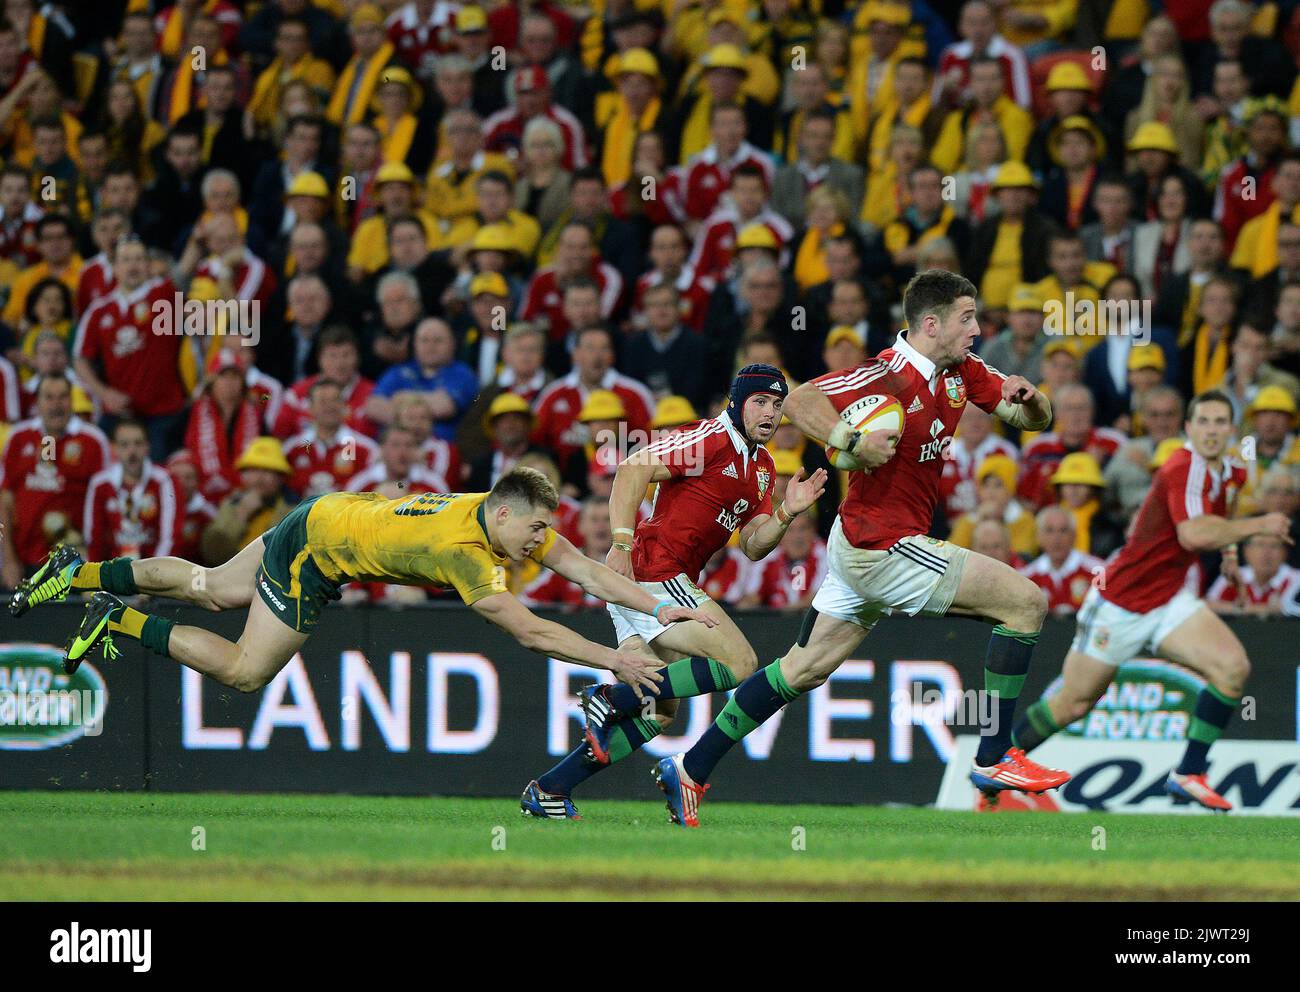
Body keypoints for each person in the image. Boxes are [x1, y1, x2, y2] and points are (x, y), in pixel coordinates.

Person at [652, 270, 1071, 827]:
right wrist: (850, 441)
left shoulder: (962, 372)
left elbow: (1031, 421)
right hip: (882, 546)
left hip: (858, 544)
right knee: (1025, 603)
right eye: (967, 319)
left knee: (800, 670)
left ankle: (690, 765)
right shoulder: (886, 376)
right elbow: (800, 400)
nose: (977, 330)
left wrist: (1033, 398)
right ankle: (995, 757)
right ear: (931, 324)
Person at [12, 468, 714, 701]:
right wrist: (615, 658)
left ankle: (76, 572)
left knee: (212, 584)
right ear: (503, 516)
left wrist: (659, 605)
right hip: (317, 550)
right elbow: (530, 632)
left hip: (327, 510)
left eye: (540, 535)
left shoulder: (496, 514)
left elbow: (590, 572)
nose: (539, 545)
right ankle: (117, 619)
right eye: (532, 533)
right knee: (245, 669)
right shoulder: (466, 553)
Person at [522, 366, 827, 819]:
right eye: (760, 401)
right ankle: (610, 699)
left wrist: (785, 513)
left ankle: (549, 789)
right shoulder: (711, 439)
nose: (770, 413)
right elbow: (634, 467)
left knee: (658, 711)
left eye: (778, 405)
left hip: (656, 577)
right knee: (739, 662)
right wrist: (621, 542)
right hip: (652, 569)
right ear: (737, 400)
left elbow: (752, 545)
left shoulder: (761, 467)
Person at [1011, 390, 1293, 812]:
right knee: (1074, 703)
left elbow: (1224, 511)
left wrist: (1231, 554)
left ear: (1232, 430)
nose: (1212, 430)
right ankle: (1000, 763)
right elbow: (1194, 535)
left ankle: (1189, 773)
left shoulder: (1233, 470)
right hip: (1119, 603)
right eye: (1204, 422)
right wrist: (1261, 525)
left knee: (1232, 668)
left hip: (1167, 600)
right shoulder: (1182, 467)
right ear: (1189, 429)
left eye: (1220, 422)